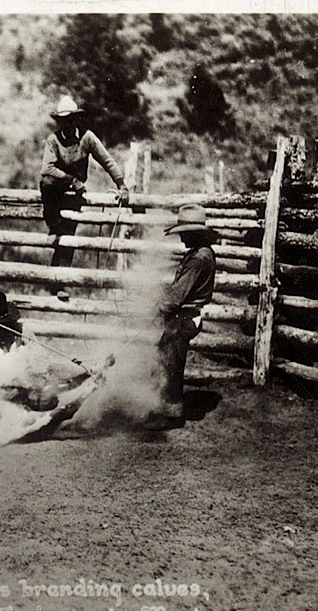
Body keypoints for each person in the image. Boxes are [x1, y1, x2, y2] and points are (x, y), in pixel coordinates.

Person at [39, 95, 130, 301]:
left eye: (70, 119)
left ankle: (58, 282)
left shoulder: (87, 138)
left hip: (75, 195)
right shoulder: (53, 140)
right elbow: (47, 169)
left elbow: (107, 160)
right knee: (47, 188)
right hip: (57, 191)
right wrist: (71, 180)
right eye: (62, 120)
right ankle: (52, 222)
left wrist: (121, 184)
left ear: (76, 119)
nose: (66, 124)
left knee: (67, 237)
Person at [144, 204, 216, 431]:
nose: (182, 237)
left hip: (186, 317)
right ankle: (159, 406)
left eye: (185, 233)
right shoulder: (197, 253)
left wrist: (158, 309)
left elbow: (177, 295)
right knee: (164, 358)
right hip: (181, 315)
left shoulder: (199, 258)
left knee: (170, 363)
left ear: (195, 233)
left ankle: (171, 414)